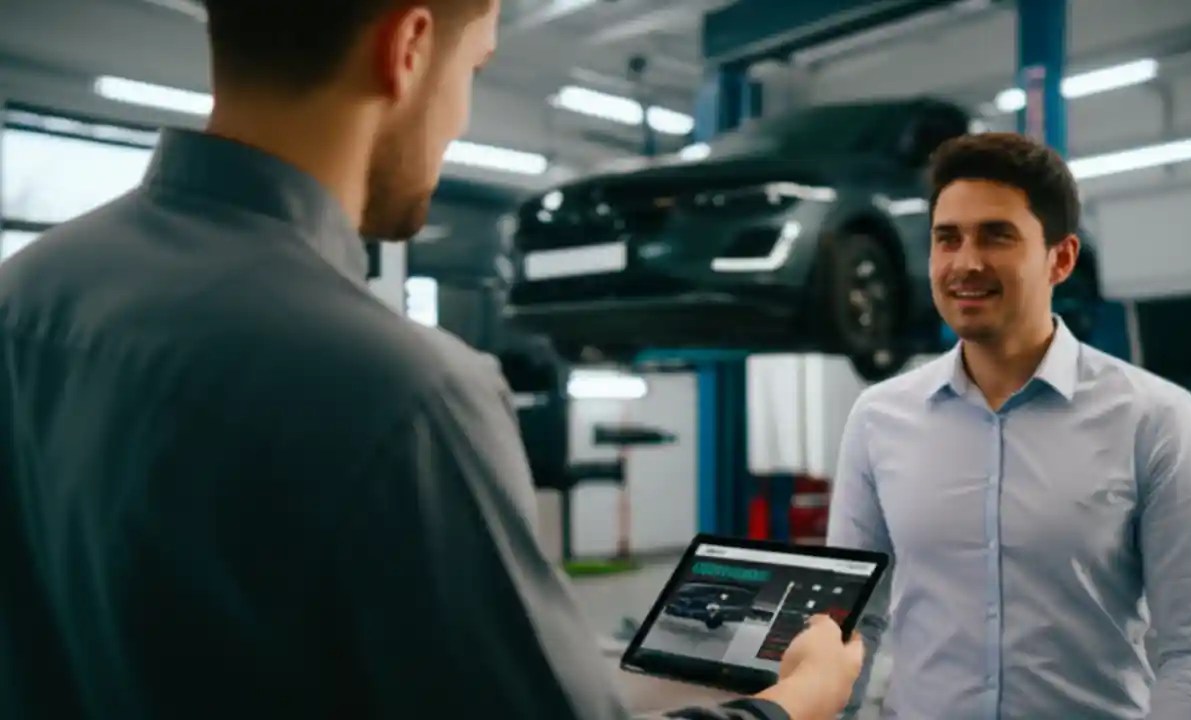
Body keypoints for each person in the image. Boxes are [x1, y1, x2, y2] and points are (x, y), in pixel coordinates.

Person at [0, 1, 863, 719]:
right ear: (408, 48)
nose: (459, 115)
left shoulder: (24, 292)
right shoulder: (405, 392)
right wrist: (793, 705)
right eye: (474, 71)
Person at [827, 132, 1191, 718]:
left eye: (997, 235)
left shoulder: (1157, 419)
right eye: (948, 239)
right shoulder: (878, 418)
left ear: (1061, 257)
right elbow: (851, 623)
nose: (966, 263)